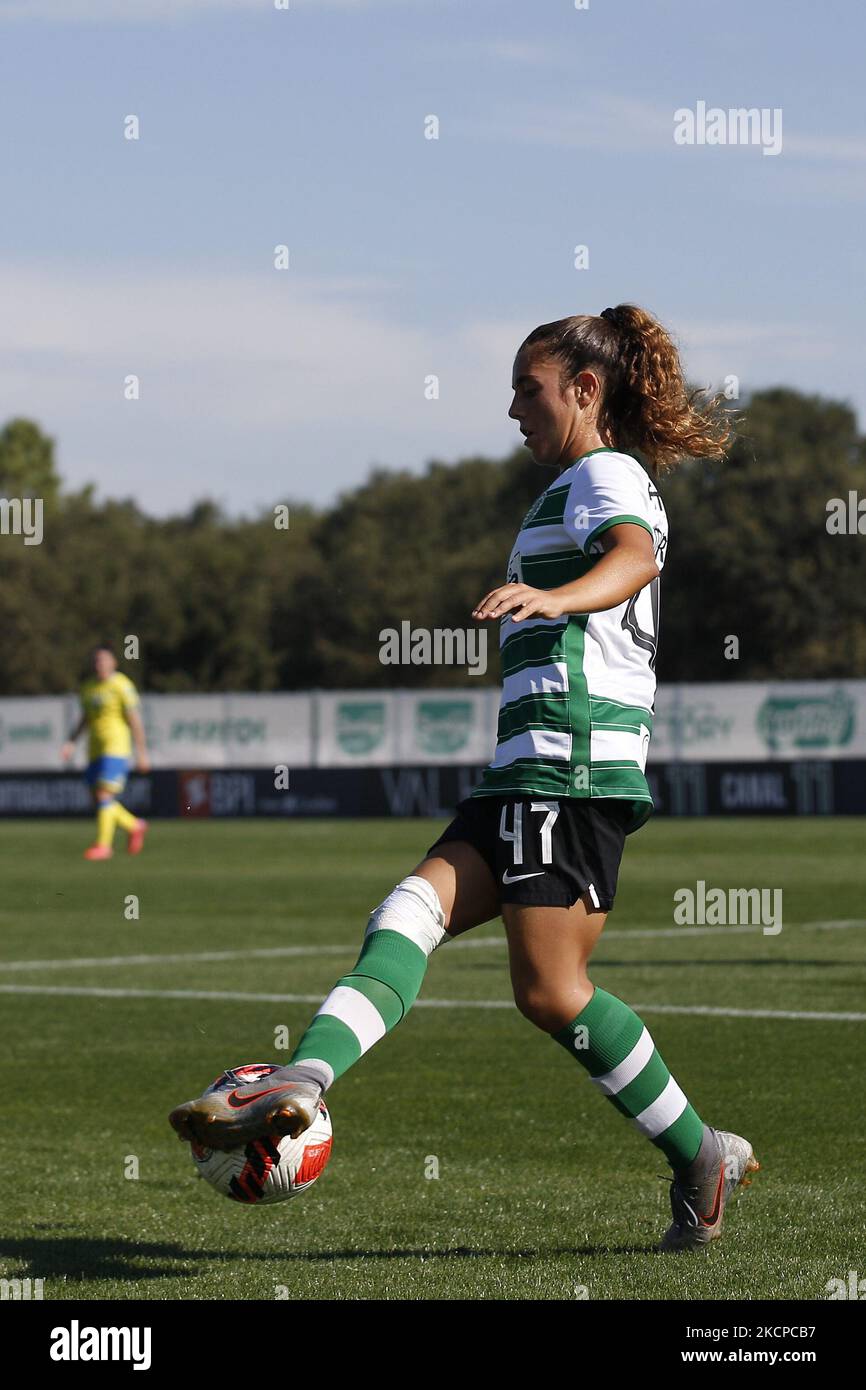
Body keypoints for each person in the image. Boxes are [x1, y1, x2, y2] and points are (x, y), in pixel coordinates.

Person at [169, 304, 759, 1251]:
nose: (514, 408)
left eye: (529, 389)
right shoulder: (573, 482)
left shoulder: (604, 473)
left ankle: (699, 1156)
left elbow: (634, 559)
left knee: (552, 991)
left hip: (567, 766)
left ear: (586, 390)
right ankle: (301, 1082)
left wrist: (553, 595)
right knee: (410, 911)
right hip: (528, 768)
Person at [61, 644, 150, 861]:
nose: (99, 664)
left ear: (114, 663)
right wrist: (72, 742)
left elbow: (134, 721)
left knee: (104, 795)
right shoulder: (89, 688)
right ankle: (134, 825)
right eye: (96, 661)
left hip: (116, 747)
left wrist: (142, 752)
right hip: (95, 749)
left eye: (104, 660)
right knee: (97, 799)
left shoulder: (121, 685)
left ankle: (103, 846)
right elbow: (85, 719)